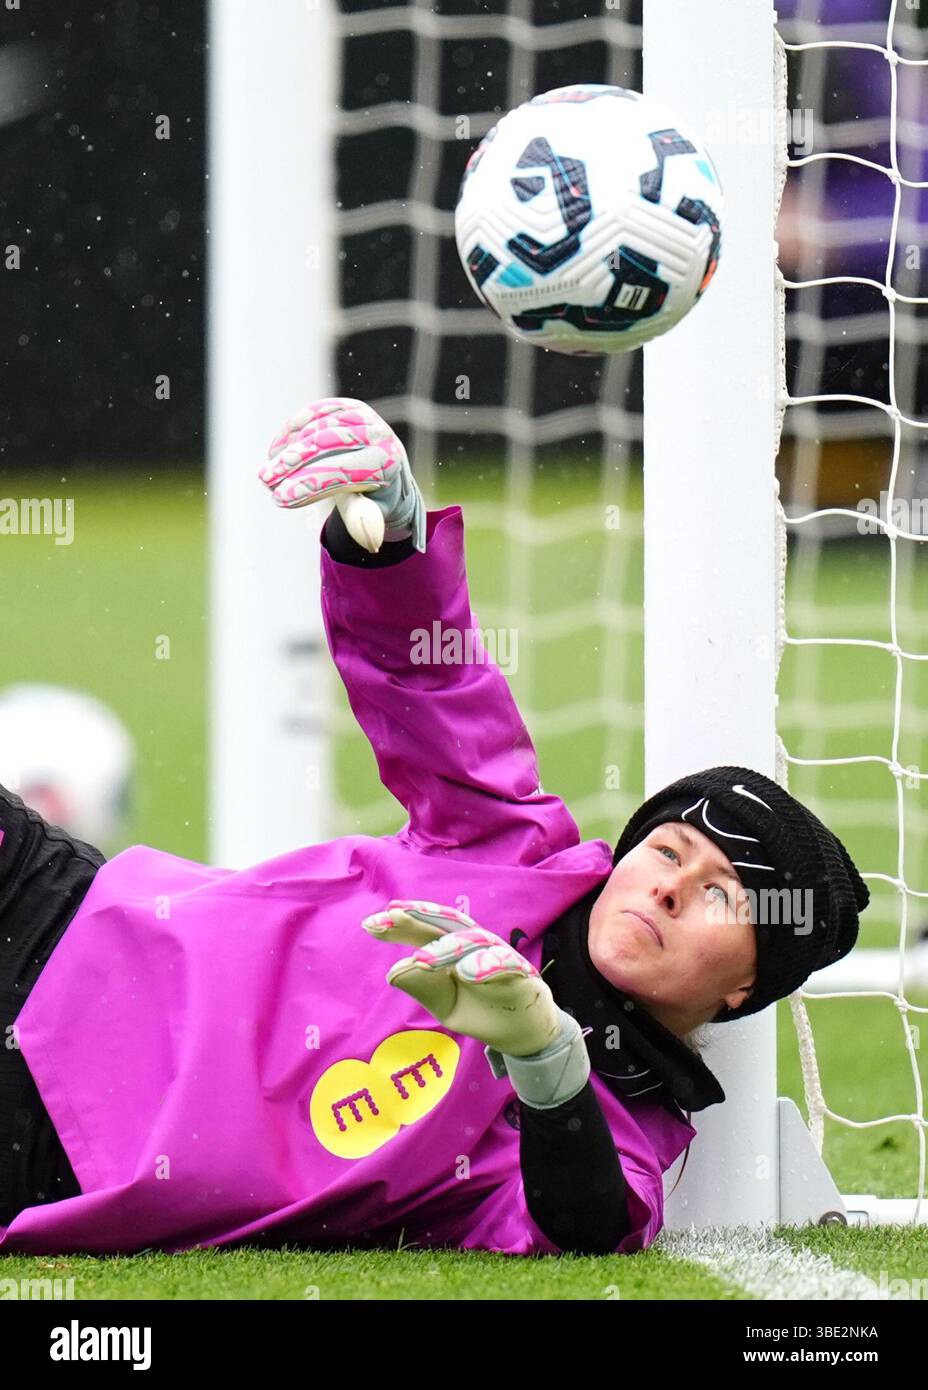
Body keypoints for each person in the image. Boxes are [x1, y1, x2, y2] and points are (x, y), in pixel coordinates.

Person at [0, 399, 869, 1257]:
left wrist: (547, 1060)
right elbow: (434, 683)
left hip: (68, 1135)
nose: (671, 886)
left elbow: (586, 1225)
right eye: (668, 850)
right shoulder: (509, 842)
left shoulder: (621, 1133)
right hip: (66, 916)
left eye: (721, 896)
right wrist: (394, 533)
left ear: (742, 992)